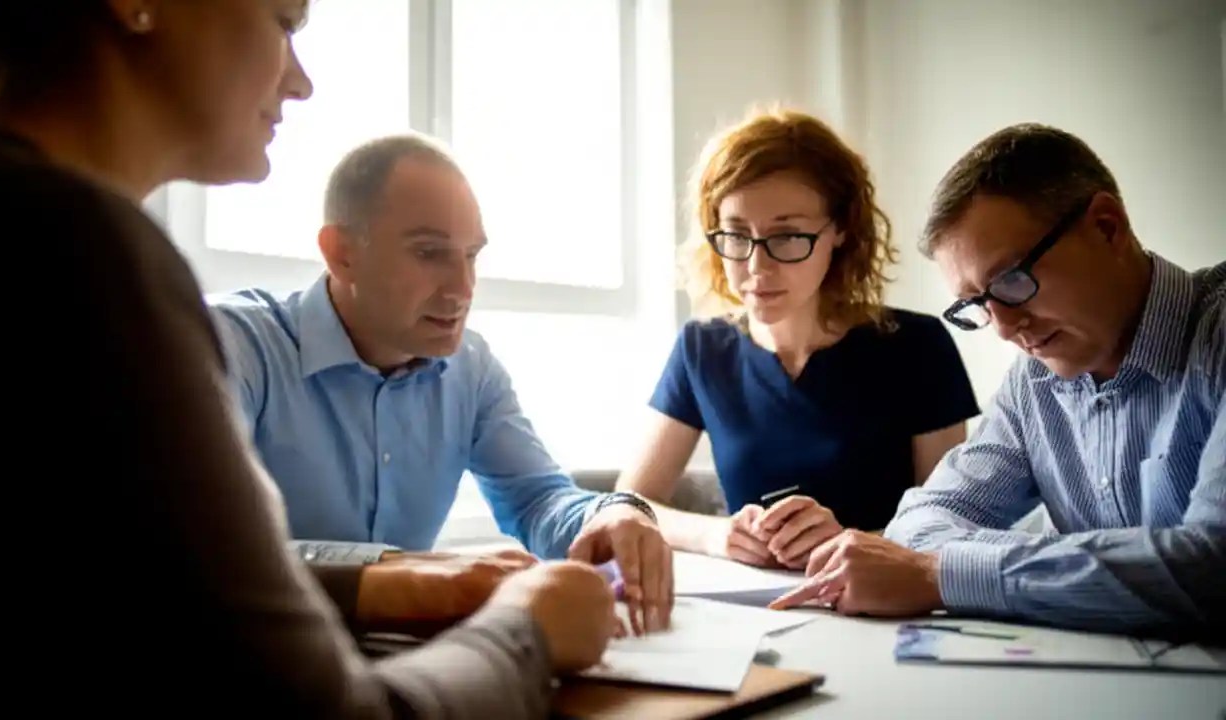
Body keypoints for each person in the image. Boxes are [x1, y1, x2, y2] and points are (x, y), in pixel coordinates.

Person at [0, 1, 617, 717]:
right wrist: (528, 631)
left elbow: (154, 595)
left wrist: (612, 514)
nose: (300, 83)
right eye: (283, 20)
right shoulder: (79, 254)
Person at [769, 123, 1225, 641]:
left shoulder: (1218, 336)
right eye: (977, 305)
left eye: (1011, 281)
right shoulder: (1033, 384)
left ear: (1106, 227)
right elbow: (923, 518)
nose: (1005, 329)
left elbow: (1212, 567)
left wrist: (939, 576)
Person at [207, 132, 673, 633]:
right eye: (430, 253)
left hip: (399, 660)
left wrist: (612, 513)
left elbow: (538, 499)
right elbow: (207, 552)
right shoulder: (229, 347)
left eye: (471, 255)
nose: (462, 288)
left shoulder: (470, 368)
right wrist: (418, 578)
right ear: (341, 253)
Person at [615, 109, 980, 570]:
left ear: (841, 231)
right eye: (736, 234)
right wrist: (717, 535)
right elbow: (630, 504)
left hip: (885, 607)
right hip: (752, 610)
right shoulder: (701, 349)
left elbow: (953, 524)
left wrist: (854, 542)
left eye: (787, 236)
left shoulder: (918, 345)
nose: (756, 268)